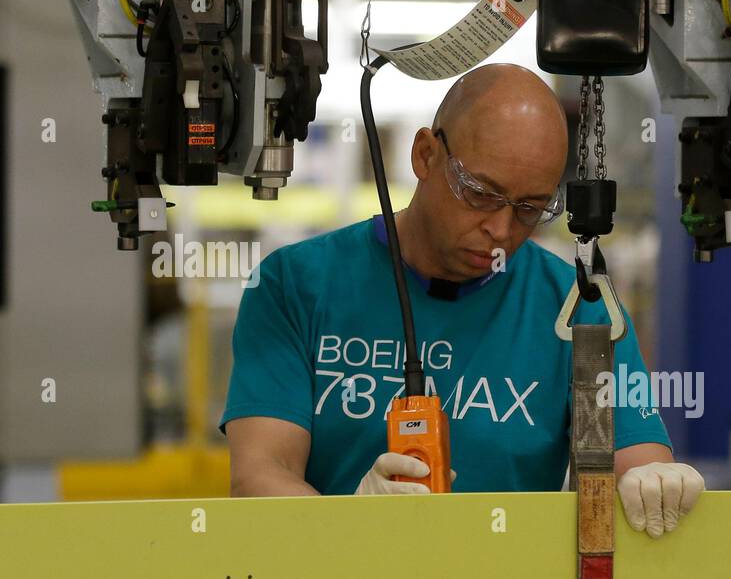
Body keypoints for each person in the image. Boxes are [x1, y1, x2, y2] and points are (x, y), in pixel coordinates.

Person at [221, 64, 704, 538]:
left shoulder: (577, 309)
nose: (500, 230)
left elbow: (635, 461)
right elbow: (260, 473)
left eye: (529, 209)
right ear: (426, 155)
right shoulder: (295, 286)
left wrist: (656, 483)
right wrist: (348, 524)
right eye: (480, 194)